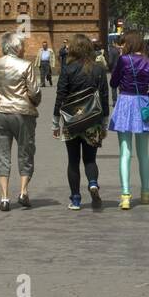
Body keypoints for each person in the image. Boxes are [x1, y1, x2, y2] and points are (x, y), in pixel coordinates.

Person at [52, 33, 110, 210]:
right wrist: (104, 123)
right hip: (92, 120)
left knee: (73, 161)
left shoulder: (68, 69)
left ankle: (76, 199)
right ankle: (93, 183)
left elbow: (60, 96)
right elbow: (104, 98)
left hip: (71, 121)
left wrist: (55, 122)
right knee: (90, 160)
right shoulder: (99, 70)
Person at [0, 31, 41, 211]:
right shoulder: (27, 66)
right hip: (22, 112)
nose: (25, 49)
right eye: (23, 46)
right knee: (25, 150)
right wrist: (35, 102)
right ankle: (23, 191)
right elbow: (34, 92)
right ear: (17, 47)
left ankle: (4, 197)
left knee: (0, 152)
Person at [109, 31, 149, 209]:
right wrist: (146, 97)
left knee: (125, 152)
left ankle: (125, 195)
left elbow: (113, 83)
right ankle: (145, 192)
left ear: (128, 44)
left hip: (124, 102)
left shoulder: (123, 61)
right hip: (141, 102)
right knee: (143, 153)